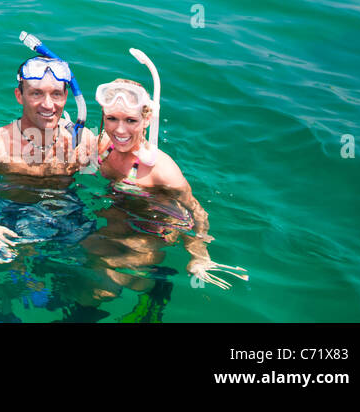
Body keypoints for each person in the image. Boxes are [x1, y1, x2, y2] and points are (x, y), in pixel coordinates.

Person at [91, 77, 247, 289]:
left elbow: (194, 211)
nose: (119, 130)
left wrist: (199, 254)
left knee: (106, 282)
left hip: (153, 229)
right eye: (112, 118)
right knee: (83, 253)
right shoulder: (104, 145)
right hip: (120, 211)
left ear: (147, 120)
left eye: (130, 120)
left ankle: (155, 291)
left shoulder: (163, 171)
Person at [0, 56, 98, 263]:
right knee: (7, 270)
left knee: (97, 274)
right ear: (19, 96)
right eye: (36, 94)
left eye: (56, 94)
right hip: (11, 211)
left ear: (66, 96)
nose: (48, 105)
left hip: (67, 209)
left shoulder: (82, 141)